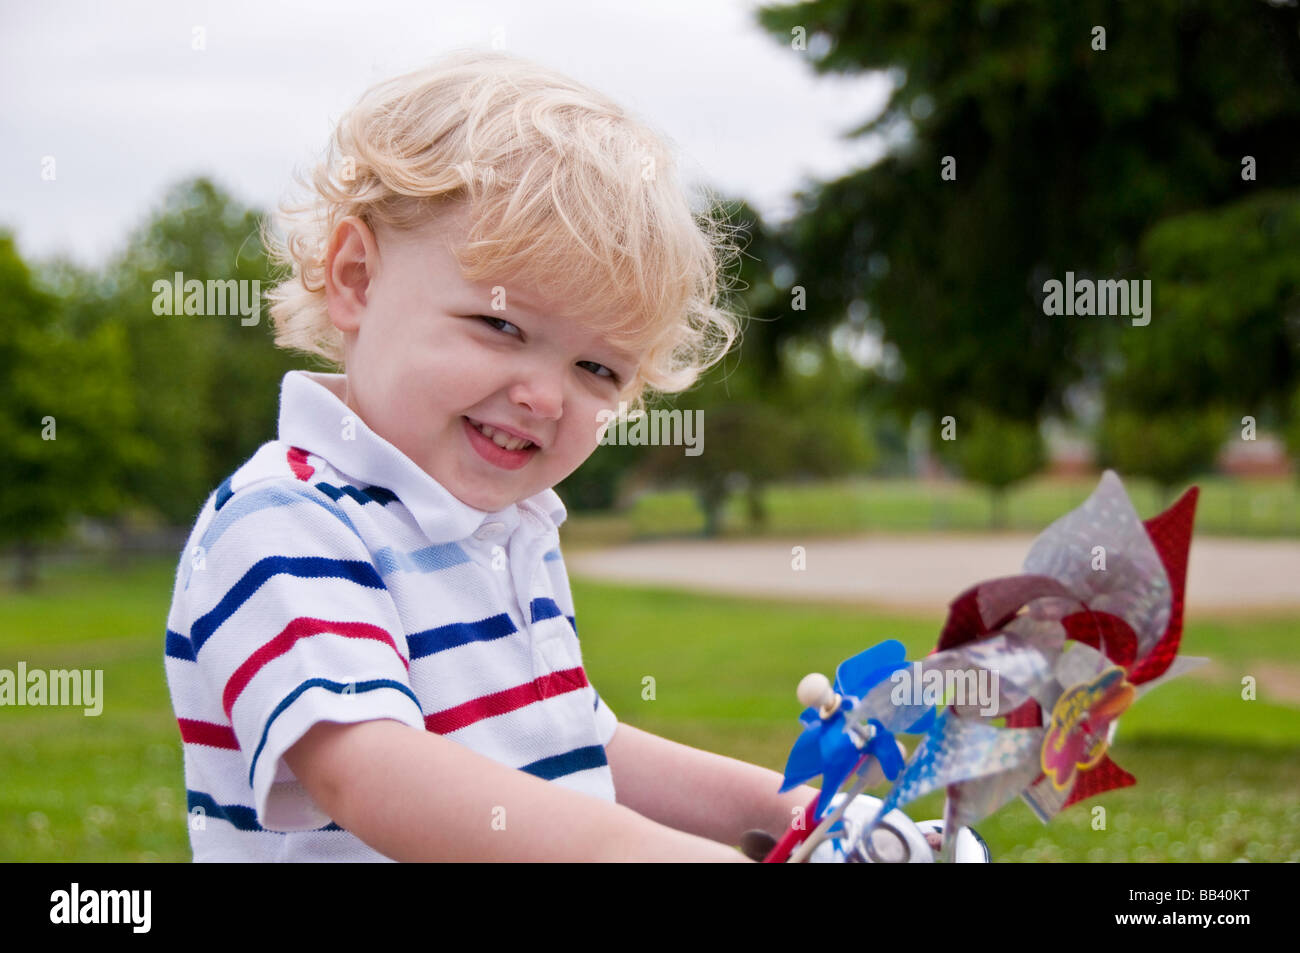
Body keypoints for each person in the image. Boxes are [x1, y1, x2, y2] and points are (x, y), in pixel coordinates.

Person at [162, 48, 822, 861]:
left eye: (597, 368)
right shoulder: (280, 520)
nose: (545, 395)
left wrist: (787, 808)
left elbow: (577, 746)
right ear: (357, 278)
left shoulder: (509, 527)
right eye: (502, 325)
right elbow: (369, 771)